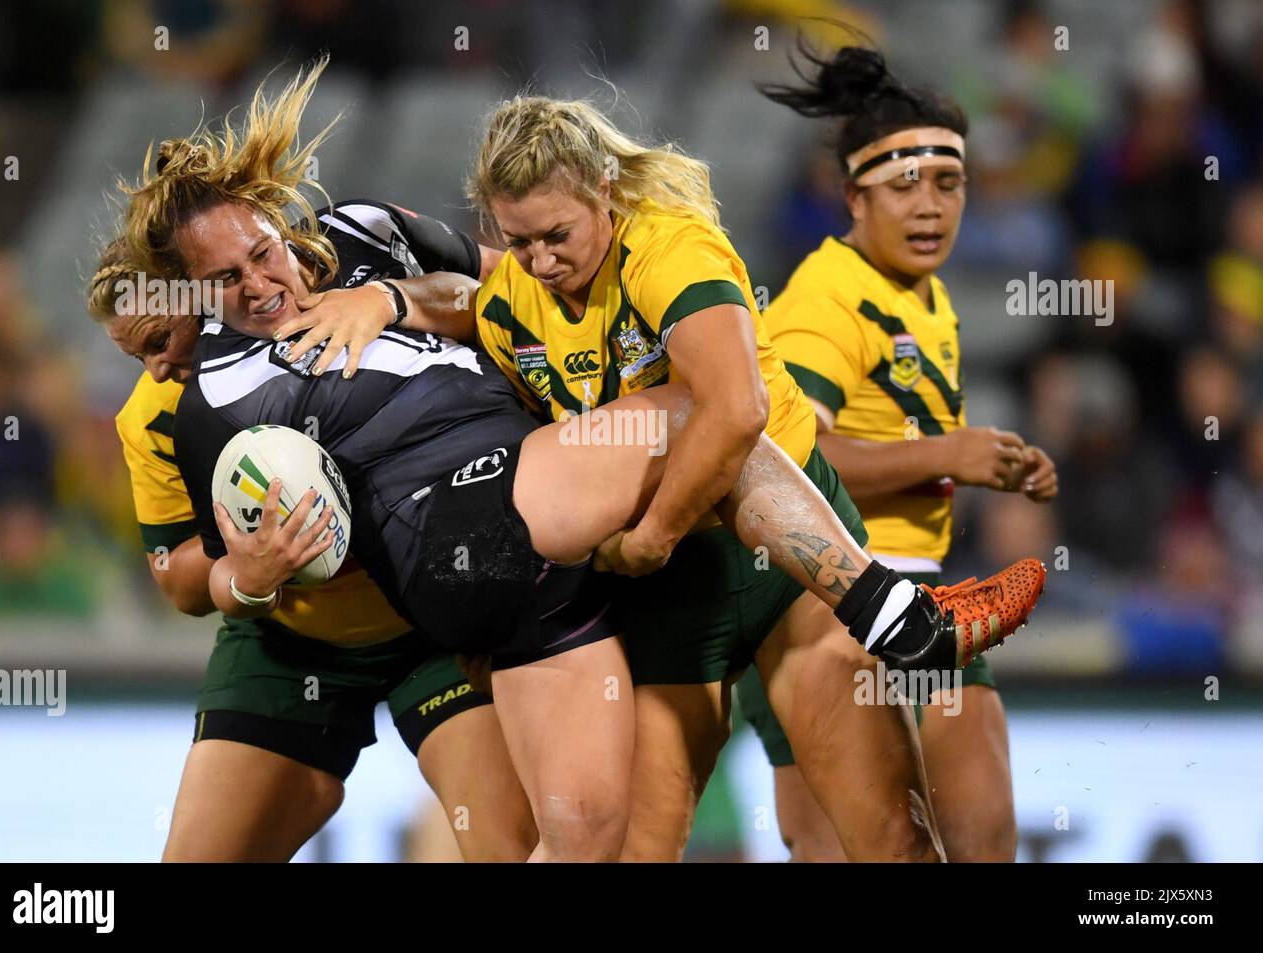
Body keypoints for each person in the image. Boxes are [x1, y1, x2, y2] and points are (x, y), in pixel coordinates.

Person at [276, 91, 1042, 861]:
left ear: (604, 191)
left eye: (557, 235)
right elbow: (470, 301)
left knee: (895, 843)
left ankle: (894, 616)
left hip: (783, 567)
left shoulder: (673, 249)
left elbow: (737, 412)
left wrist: (654, 533)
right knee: (632, 855)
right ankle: (898, 615)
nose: (542, 261)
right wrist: (388, 297)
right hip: (663, 598)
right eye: (520, 240)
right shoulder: (518, 298)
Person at [86, 89, 536, 859]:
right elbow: (176, 577)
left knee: (508, 848)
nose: (162, 363)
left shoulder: (358, 242)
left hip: (434, 617)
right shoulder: (161, 414)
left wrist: (393, 299)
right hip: (288, 641)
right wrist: (250, 573)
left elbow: (513, 297)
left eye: (163, 336)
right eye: (141, 354)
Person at [743, 38, 1060, 861]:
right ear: (854, 196)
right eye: (903, 184)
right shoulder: (825, 295)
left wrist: (998, 464)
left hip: (927, 602)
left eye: (948, 182)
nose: (929, 206)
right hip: (825, 606)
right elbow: (788, 460)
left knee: (983, 840)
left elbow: (905, 437)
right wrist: (947, 454)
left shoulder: (931, 296)